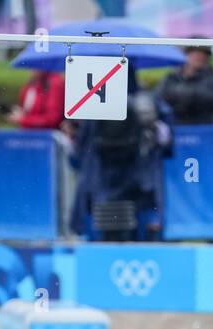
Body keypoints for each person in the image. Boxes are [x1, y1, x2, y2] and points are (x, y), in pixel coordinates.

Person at [68, 72, 172, 241]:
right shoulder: (147, 102)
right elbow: (164, 139)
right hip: (138, 176)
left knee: (104, 225)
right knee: (134, 225)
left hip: (104, 176)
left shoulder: (94, 103)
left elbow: (81, 147)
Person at [156, 43, 213, 125]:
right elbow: (159, 99)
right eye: (196, 53)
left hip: (206, 130)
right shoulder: (171, 78)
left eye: (205, 54)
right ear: (186, 54)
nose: (201, 57)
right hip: (177, 129)